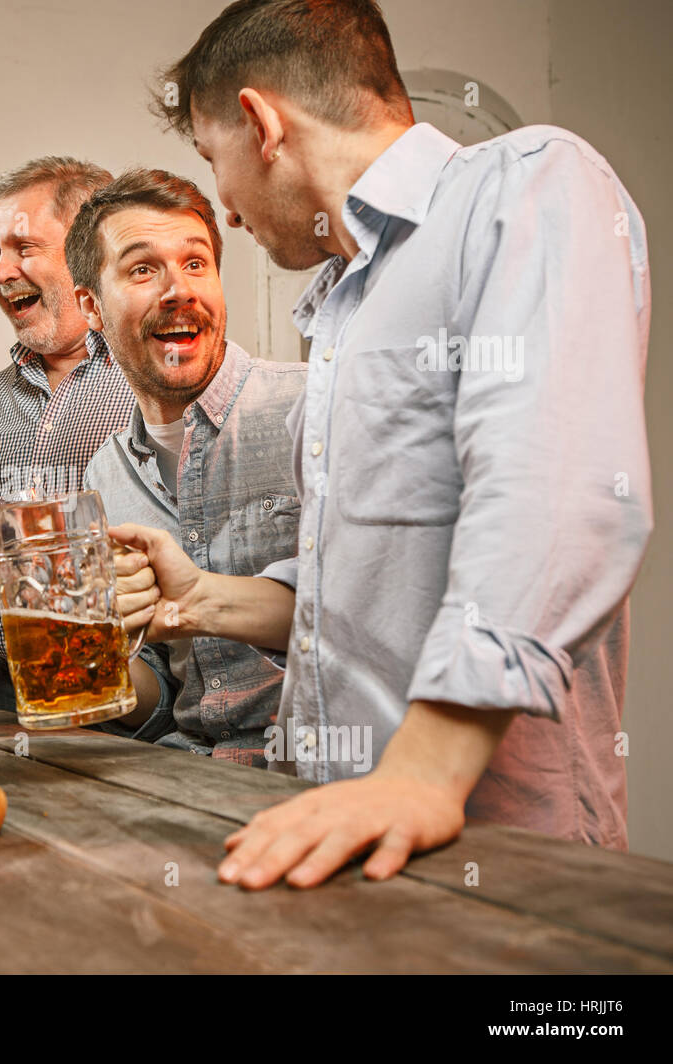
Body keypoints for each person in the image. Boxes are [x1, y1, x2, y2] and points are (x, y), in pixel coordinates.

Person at [120, 0, 651, 889]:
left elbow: (560, 496)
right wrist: (200, 597)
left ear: (262, 123)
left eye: (214, 163)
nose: (231, 216)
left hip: (501, 852)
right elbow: (363, 587)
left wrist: (420, 773)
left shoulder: (529, 183)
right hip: (347, 838)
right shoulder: (348, 301)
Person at [69, 168, 305, 759]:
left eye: (197, 263)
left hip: (313, 780)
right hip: (187, 775)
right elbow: (165, 691)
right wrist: (98, 657)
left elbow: (375, 611)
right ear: (90, 306)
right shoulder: (103, 476)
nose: (179, 289)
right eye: (143, 268)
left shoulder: (310, 406)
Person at [0, 157, 137, 710]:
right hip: (10, 685)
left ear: (89, 250)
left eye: (23, 247)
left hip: (132, 683)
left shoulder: (149, 378)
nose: (0, 271)